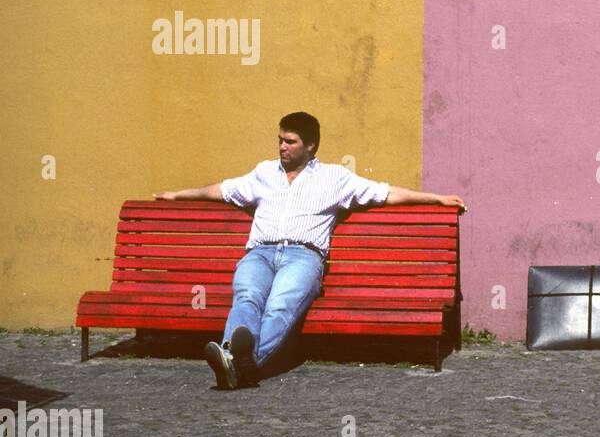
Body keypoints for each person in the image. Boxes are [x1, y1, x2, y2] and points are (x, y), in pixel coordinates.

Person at [154, 112, 466, 389]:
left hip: (303, 257)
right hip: (260, 253)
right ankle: (236, 362)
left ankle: (236, 363)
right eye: (279, 140)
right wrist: (177, 196)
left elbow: (385, 193)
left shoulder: (335, 178)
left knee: (279, 306)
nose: (281, 147)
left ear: (310, 146)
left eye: (289, 141)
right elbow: (220, 190)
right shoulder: (263, 172)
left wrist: (434, 198)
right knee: (247, 297)